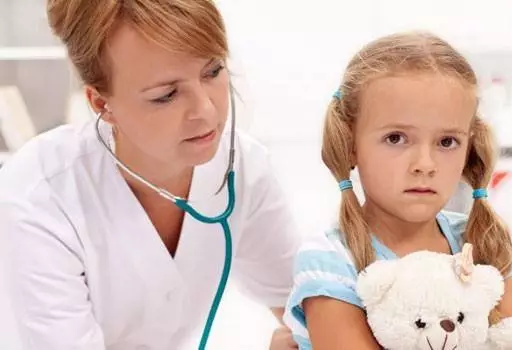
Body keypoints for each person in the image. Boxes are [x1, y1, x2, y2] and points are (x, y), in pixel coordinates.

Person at [0, 0, 300, 349]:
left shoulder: (242, 167)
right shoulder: (37, 195)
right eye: (166, 95)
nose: (205, 110)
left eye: (213, 71)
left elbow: (309, 306)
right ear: (101, 104)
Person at [282, 31, 512, 350]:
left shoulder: (483, 243)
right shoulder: (331, 261)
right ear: (350, 144)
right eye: (396, 138)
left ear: (469, 147)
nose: (425, 164)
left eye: (447, 141)